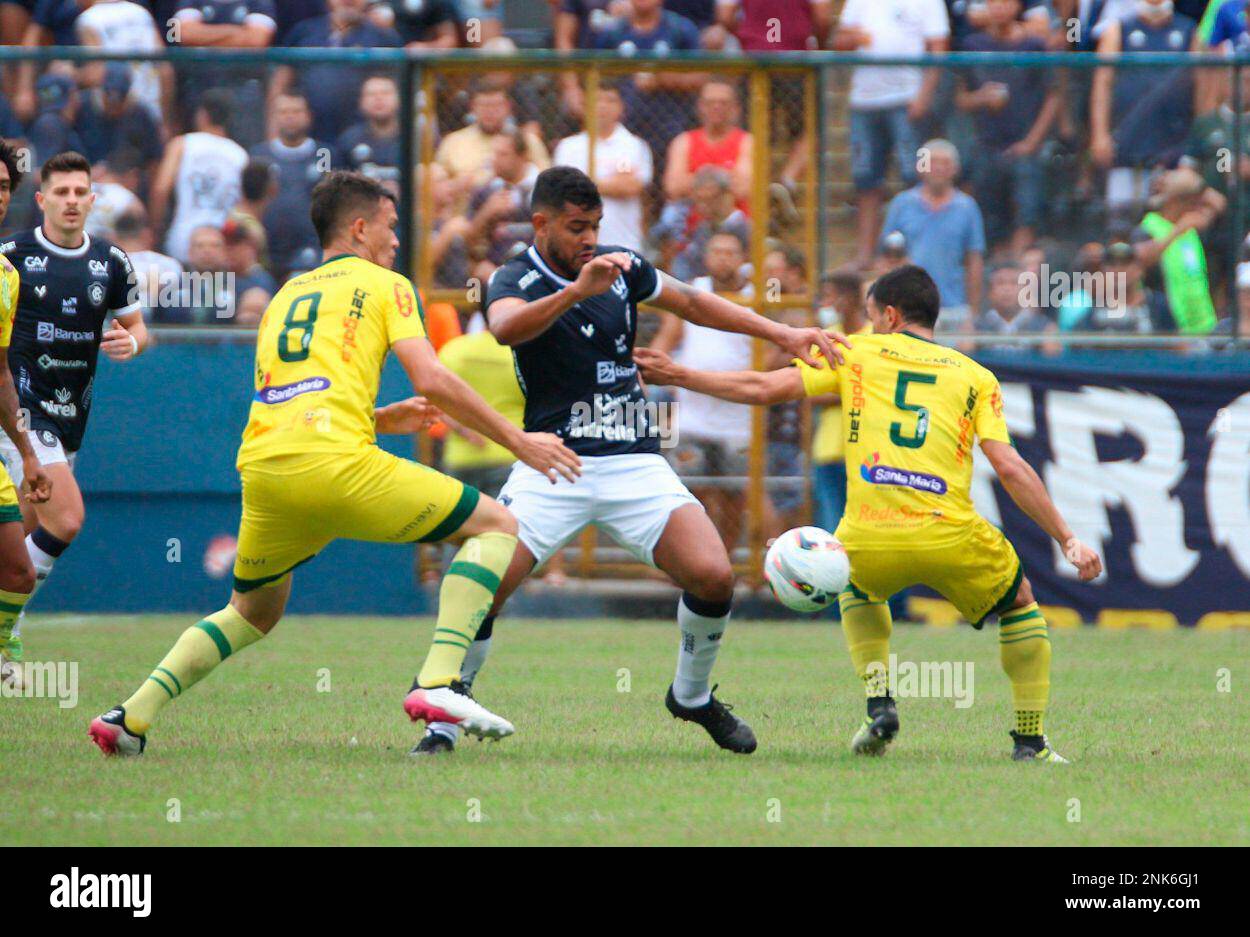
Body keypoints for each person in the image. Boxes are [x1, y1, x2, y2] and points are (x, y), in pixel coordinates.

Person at [87, 170, 583, 757]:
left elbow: (291, 397)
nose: (396, 241)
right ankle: (438, 681)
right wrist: (520, 440)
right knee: (499, 527)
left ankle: (130, 717)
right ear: (358, 227)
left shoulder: (282, 297)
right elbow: (434, 379)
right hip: (337, 465)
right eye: (391, 228)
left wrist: (374, 417)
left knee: (251, 611)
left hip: (267, 470)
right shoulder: (385, 283)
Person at [413, 165, 847, 756]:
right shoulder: (515, 276)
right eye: (575, 227)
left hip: (632, 460)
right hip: (553, 462)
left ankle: (691, 696)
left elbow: (693, 301)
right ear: (540, 224)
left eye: (595, 225)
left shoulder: (622, 266)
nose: (589, 239)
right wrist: (575, 292)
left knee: (714, 575)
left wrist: (783, 334)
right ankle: (442, 723)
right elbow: (507, 330)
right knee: (483, 587)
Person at [635, 264, 1104, 763]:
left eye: (870, 314)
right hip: (950, 535)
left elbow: (762, 389)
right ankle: (1030, 741)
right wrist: (1066, 536)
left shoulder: (855, 351)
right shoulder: (976, 376)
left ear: (891, 314)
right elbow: (1009, 467)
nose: (868, 323)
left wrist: (679, 374)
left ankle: (879, 703)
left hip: (869, 535)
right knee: (1019, 604)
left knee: (854, 582)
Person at [0, 151, 148, 660]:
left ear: (92, 199)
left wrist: (134, 343)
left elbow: (137, 327)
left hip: (71, 418)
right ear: (41, 200)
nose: (70, 201)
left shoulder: (111, 261)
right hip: (23, 414)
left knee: (22, 535)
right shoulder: (12, 256)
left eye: (79, 192)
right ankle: (5, 629)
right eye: (60, 192)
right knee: (66, 520)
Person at [651, 230, 753, 551]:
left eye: (730, 251)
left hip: (738, 419)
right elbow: (667, 338)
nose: (723, 258)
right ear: (706, 257)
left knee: (735, 494)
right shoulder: (694, 292)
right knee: (691, 492)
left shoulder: (758, 295)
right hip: (692, 417)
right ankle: (695, 559)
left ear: (743, 258)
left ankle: (729, 558)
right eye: (716, 251)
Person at [835, 0, 950, 267]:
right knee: (866, 178)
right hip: (864, 99)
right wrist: (852, 38)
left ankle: (914, 251)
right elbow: (840, 41)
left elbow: (939, 49)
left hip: (906, 97)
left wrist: (924, 95)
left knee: (913, 175)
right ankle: (866, 254)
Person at [0, 140, 53, 687]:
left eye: (1, 188)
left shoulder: (6, 276)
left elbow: (0, 374)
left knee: (17, 570)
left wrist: (28, 454)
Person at [880, 138, 985, 337]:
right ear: (921, 167)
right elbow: (886, 259)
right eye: (932, 162)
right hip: (909, 311)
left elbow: (974, 261)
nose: (938, 168)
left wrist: (972, 313)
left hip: (953, 309)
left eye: (945, 163)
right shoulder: (901, 204)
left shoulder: (967, 207)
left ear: (955, 169)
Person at [551, 81, 652, 252]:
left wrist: (582, 184)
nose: (603, 106)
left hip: (624, 246)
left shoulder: (634, 145)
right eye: (597, 100)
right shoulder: (568, 147)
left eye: (610, 100)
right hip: (575, 248)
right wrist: (612, 183)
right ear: (585, 105)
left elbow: (631, 187)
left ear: (621, 107)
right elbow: (563, 193)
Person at [150, 89, 248, 264]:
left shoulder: (182, 144)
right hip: (221, 243)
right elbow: (243, 207)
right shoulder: (240, 155)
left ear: (202, 115)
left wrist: (156, 229)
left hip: (183, 241)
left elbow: (161, 189)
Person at [1129, 167, 1223, 335]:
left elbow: (1220, 203)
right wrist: (1177, 231)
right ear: (1178, 201)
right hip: (1172, 328)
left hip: (1205, 327)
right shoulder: (1148, 228)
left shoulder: (1195, 227)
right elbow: (1140, 259)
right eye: (1194, 201)